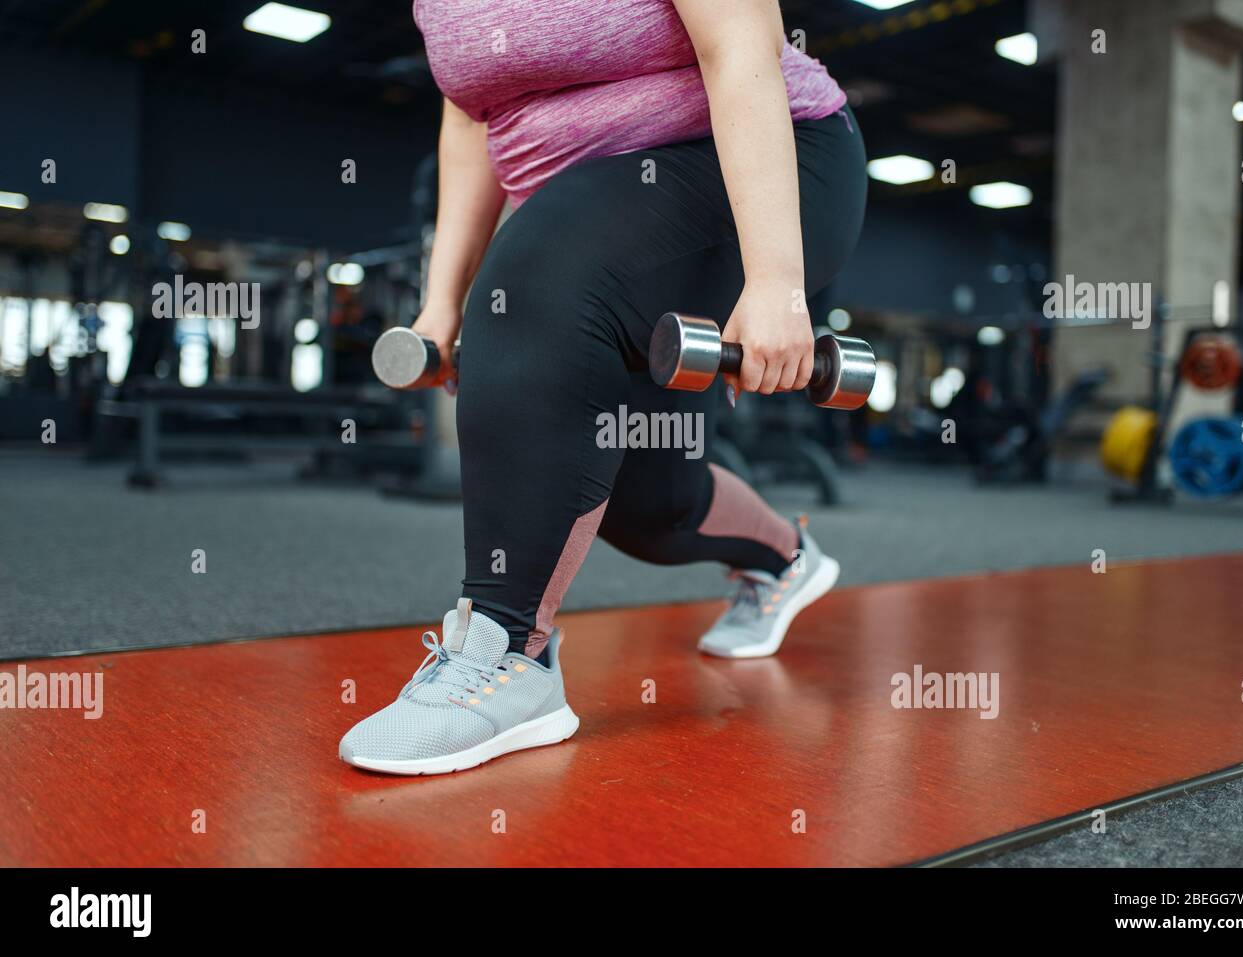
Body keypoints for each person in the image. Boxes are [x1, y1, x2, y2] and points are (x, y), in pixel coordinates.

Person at [340, 0, 867, 775]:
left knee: (533, 281)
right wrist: (440, 303)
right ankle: (786, 559)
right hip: (587, 208)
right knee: (643, 498)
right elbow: (469, 115)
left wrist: (778, 281)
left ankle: (507, 655)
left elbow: (740, 50)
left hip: (764, 158)